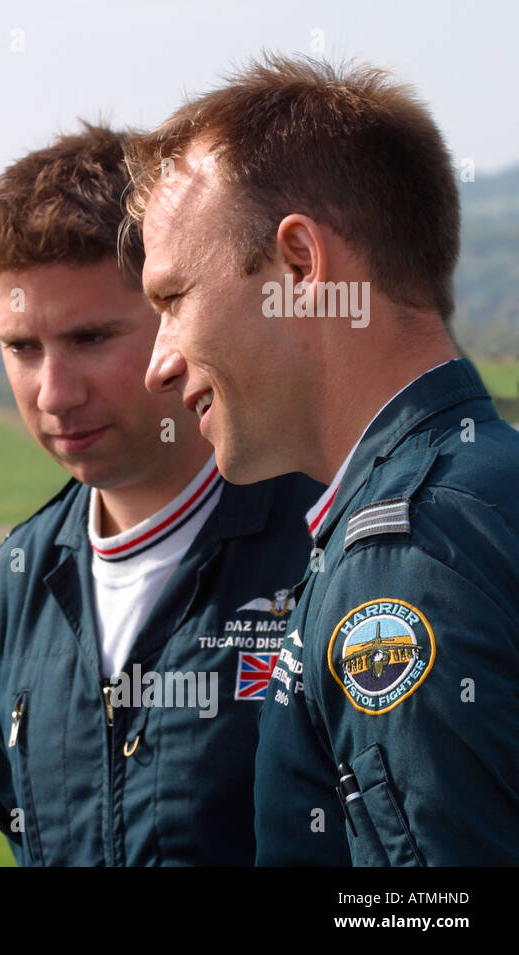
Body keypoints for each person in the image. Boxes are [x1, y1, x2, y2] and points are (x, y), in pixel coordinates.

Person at [127, 54, 519, 865]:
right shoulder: (483, 484)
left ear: (300, 266)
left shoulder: (409, 553)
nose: (158, 363)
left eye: (173, 299)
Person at [0, 124, 321, 865]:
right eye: (22, 348)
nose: (54, 394)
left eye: (92, 338)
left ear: (176, 312)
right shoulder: (13, 584)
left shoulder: (331, 538)